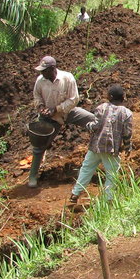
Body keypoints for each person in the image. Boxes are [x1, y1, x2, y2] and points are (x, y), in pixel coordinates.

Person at [30, 55, 95, 188]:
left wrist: (57, 109)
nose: (42, 73)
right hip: (49, 118)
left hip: (67, 112)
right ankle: (33, 176)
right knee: (39, 146)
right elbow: (37, 97)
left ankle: (103, 148)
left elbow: (73, 99)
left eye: (44, 70)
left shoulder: (67, 77)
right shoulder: (40, 81)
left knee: (93, 120)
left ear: (52, 68)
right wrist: (41, 108)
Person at [69, 84, 133, 205]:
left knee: (86, 168)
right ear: (123, 98)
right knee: (111, 174)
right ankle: (108, 199)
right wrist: (128, 147)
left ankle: (75, 194)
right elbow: (127, 133)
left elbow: (95, 125)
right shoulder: (127, 113)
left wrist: (87, 126)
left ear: (109, 97)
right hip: (111, 149)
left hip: (96, 146)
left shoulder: (101, 107)